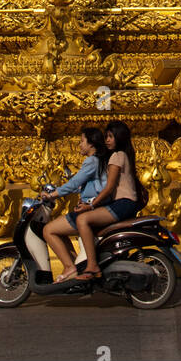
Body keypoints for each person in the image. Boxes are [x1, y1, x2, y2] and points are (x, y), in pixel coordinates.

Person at [74, 120, 147, 283]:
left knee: (82, 219)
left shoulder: (116, 156)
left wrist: (91, 205)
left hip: (123, 203)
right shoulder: (124, 155)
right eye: (106, 136)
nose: (107, 140)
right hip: (125, 203)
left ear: (119, 138)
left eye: (110, 136)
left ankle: (92, 265)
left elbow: (109, 187)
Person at [42, 127, 110, 283]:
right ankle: (76, 266)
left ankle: (69, 267)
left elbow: (73, 184)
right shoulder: (100, 160)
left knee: (49, 230)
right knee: (60, 231)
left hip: (91, 209)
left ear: (91, 144)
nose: (79, 145)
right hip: (95, 206)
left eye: (82, 141)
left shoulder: (92, 161)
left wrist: (52, 194)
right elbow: (83, 185)